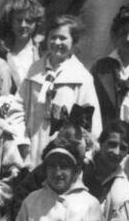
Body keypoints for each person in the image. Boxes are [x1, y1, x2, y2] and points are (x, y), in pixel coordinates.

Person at [19, 15, 102, 162]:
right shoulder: (34, 70)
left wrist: (84, 156)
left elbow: (91, 125)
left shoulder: (81, 78)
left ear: (74, 41)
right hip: (31, 153)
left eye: (63, 38)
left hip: (64, 159)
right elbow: (18, 107)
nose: (57, 42)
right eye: (52, 37)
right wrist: (21, 141)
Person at [0, 0, 46, 88]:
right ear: (11, 20)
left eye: (28, 21)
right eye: (19, 20)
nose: (23, 25)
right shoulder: (0, 51)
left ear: (36, 23)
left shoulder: (41, 54)